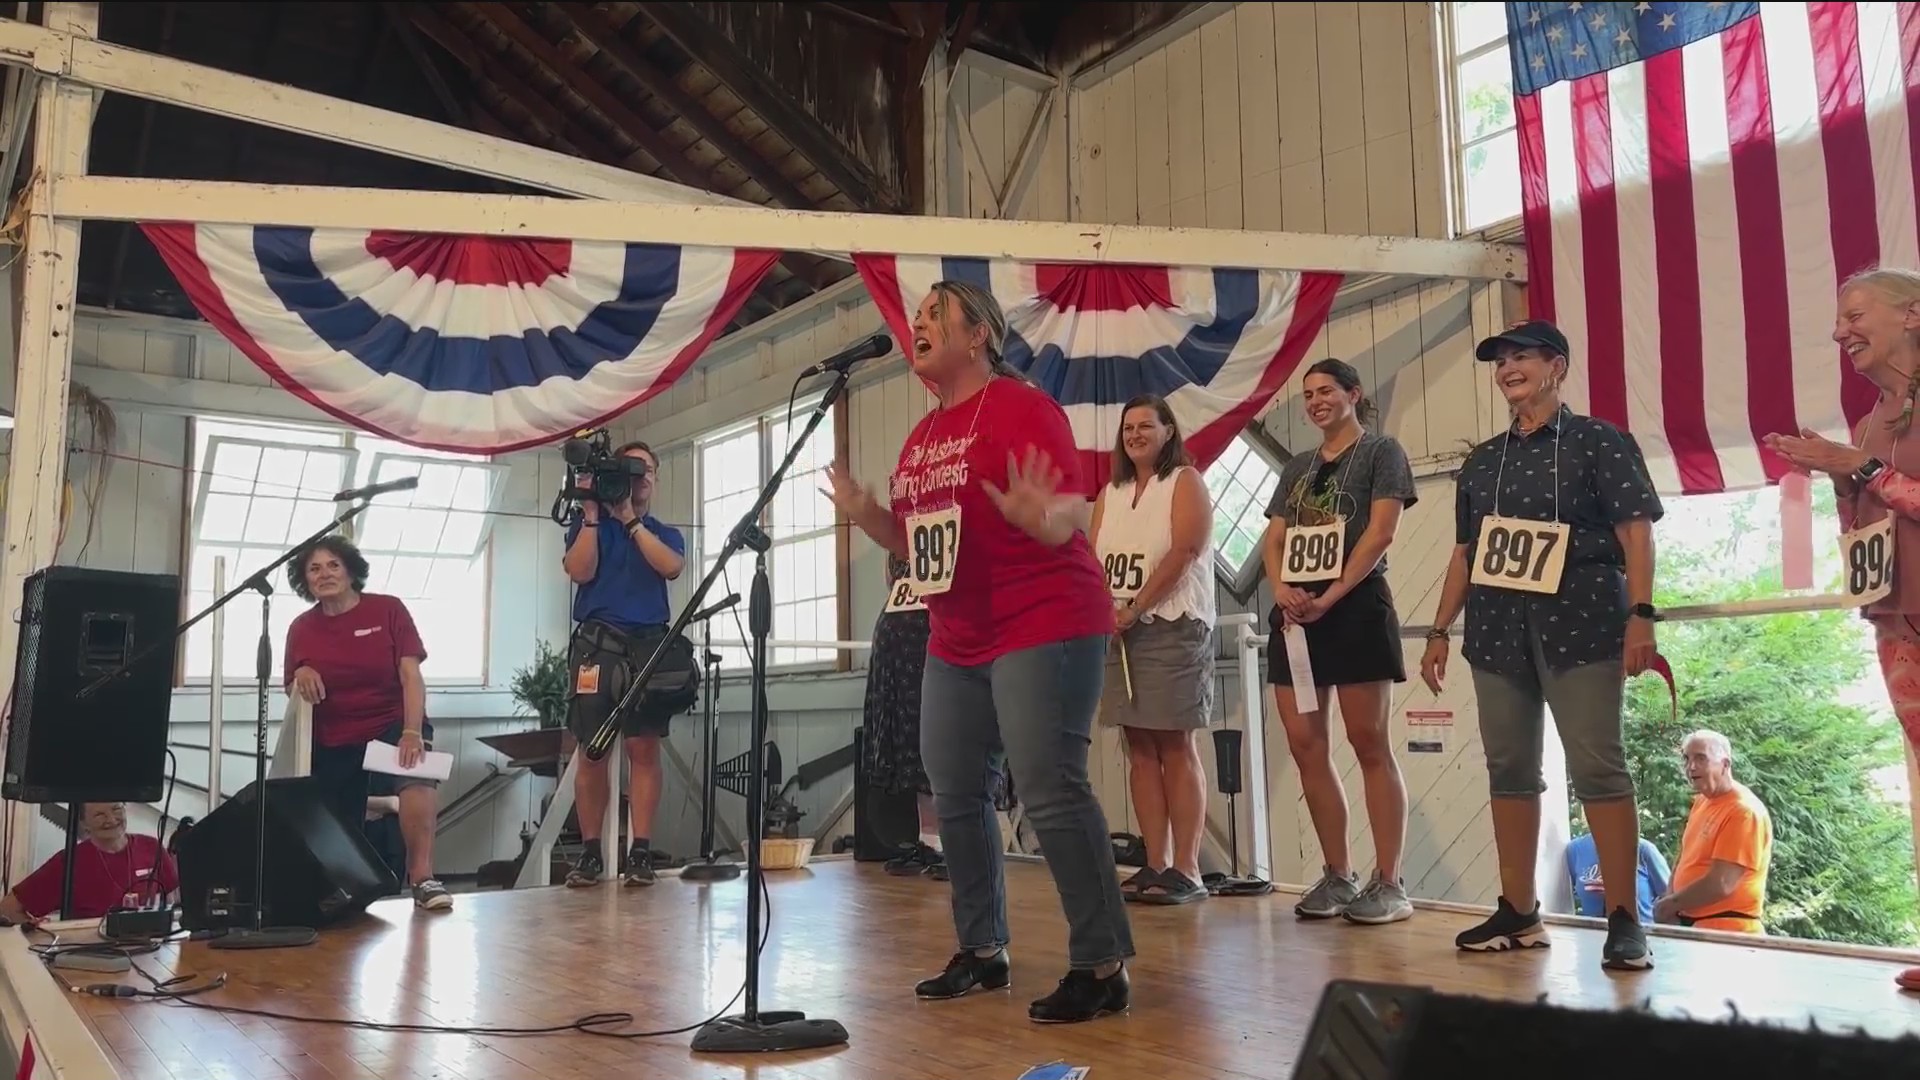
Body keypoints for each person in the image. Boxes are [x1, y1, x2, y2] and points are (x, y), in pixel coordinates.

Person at [823, 279, 1132, 1025]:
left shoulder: (1025, 407)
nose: (919, 324)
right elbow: (913, 543)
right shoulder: (923, 436)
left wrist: (1040, 516)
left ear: (979, 334)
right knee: (955, 790)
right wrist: (868, 515)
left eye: (936, 314)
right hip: (956, 633)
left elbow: (1071, 512)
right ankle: (981, 949)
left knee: (1050, 786)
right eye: (917, 316)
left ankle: (1102, 964)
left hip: (1044, 618)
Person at [1419, 319, 1661, 972]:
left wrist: (1642, 615)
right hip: (1497, 630)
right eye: (1500, 360)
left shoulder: (1598, 441)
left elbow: (1636, 532)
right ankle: (1519, 910)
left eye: (1521, 356)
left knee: (1598, 766)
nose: (1507, 368)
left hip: (1583, 623)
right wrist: (1440, 630)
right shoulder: (1482, 460)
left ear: (1557, 366)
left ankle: (1624, 917)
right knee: (1508, 768)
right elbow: (1466, 553)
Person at [1261, 359, 1418, 925]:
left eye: (1326, 390)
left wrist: (1332, 594)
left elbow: (1381, 531)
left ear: (1354, 394)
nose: (1316, 401)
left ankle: (1390, 880)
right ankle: (1337, 872)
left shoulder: (1382, 452)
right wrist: (1281, 588)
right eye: (1308, 394)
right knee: (1306, 744)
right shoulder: (1297, 467)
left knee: (1368, 740)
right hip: (1296, 616)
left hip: (1354, 609)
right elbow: (1275, 537)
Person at [1090, 394, 1217, 907]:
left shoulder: (1185, 481)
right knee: (1138, 746)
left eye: (1146, 425)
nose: (1135, 434)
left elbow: (1185, 550)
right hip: (1119, 629)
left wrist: (1137, 606)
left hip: (1171, 624)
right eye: (1128, 428)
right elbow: (1093, 557)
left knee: (1174, 743)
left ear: (1168, 431)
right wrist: (1106, 609)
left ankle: (1188, 867)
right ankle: (1156, 861)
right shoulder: (1112, 491)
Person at [285, 536, 451, 911]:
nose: (324, 574)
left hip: (392, 721)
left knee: (416, 773)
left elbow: (411, 675)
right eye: (314, 568)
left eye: (333, 565)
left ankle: (422, 878)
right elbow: (292, 689)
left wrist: (412, 731)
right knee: (331, 815)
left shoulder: (387, 610)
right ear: (304, 580)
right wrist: (302, 673)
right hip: (334, 734)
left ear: (350, 571)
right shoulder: (301, 628)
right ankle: (345, 890)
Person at [560, 440, 696, 888]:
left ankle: (640, 849)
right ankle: (591, 852)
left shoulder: (662, 531)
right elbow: (579, 571)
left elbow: (671, 566)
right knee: (592, 751)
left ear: (655, 478)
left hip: (648, 647)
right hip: (598, 645)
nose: (639, 478)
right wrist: (593, 514)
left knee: (644, 749)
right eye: (631, 470)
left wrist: (630, 521)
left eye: (647, 470)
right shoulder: (589, 525)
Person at [1654, 730, 1772, 934]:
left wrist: (1671, 905)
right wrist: (1670, 900)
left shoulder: (1743, 812)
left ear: (1725, 764)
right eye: (1687, 759)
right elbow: (1684, 857)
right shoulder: (1702, 801)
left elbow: (1722, 883)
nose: (1691, 767)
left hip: (1728, 932)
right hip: (1692, 926)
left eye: (1701, 758)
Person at [0, 803, 178, 923]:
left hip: (150, 951)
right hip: (92, 957)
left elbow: (172, 904)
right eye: (99, 815)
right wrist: (40, 935)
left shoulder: (152, 847)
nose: (111, 819)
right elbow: (7, 910)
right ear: (84, 824)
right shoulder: (68, 862)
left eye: (116, 809)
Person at [1564, 830, 1670, 924]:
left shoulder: (1643, 849)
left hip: (1639, 933)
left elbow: (1669, 896)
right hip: (1593, 934)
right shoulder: (1575, 850)